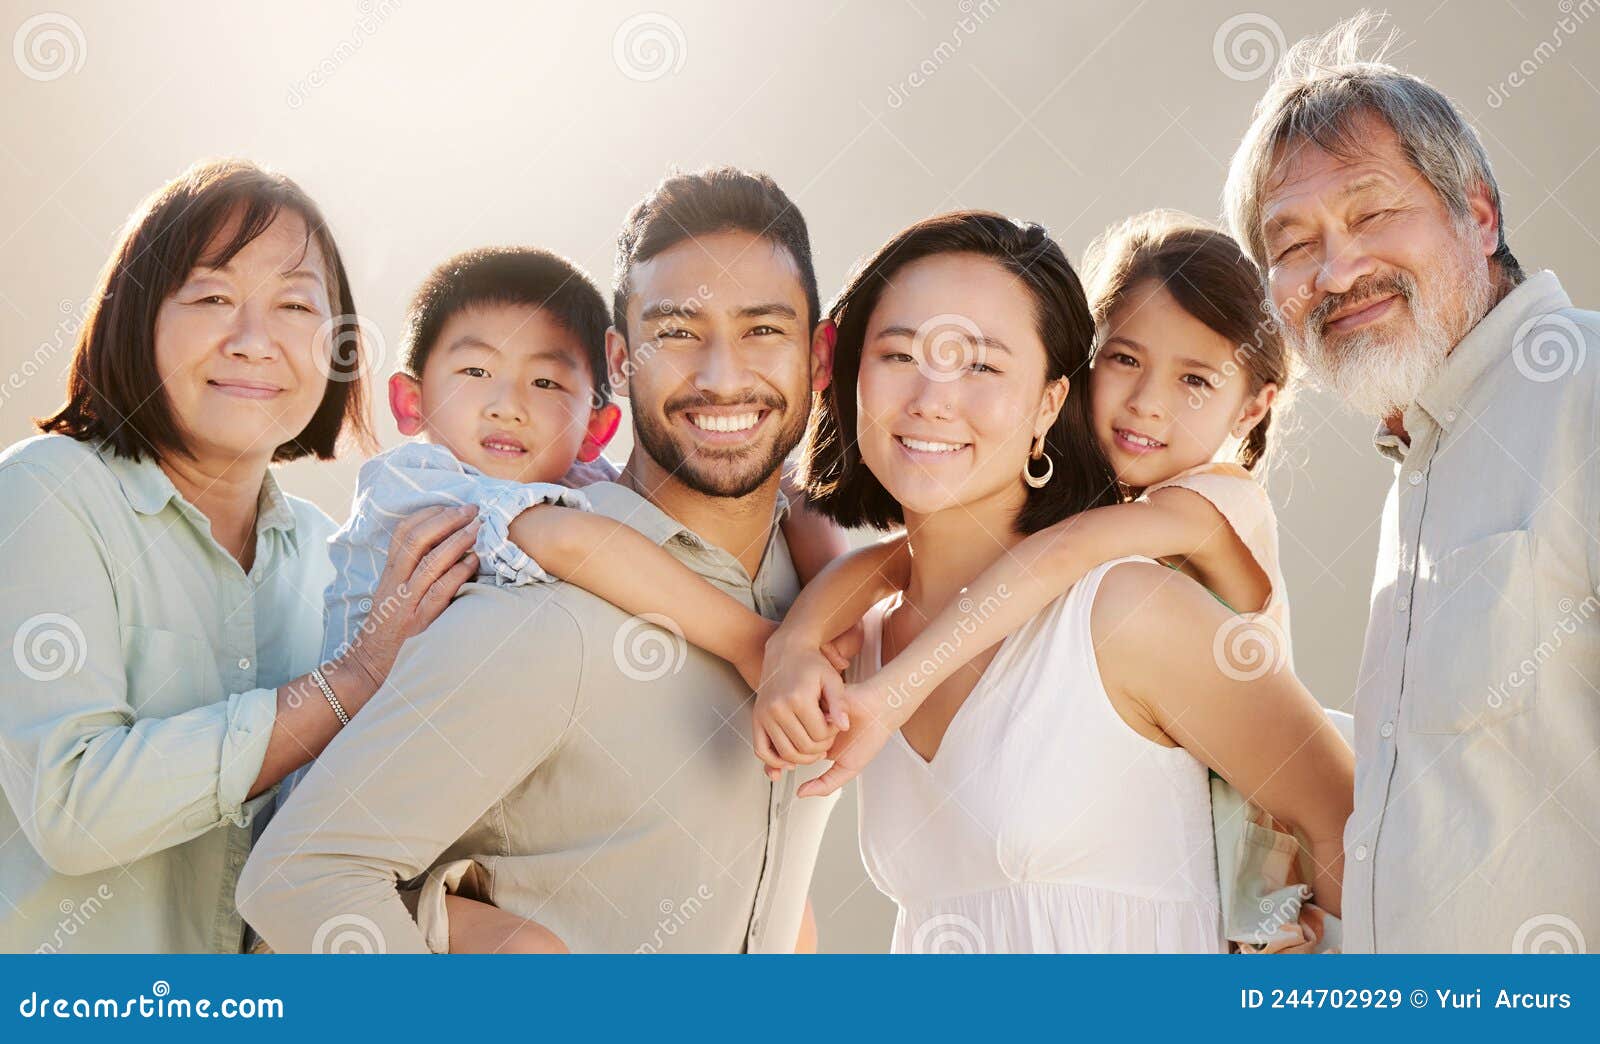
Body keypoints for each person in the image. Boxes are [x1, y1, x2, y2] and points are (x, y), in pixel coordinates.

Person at [237, 167, 842, 954]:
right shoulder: (540, 610)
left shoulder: (805, 588)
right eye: (679, 333)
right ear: (622, 365)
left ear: (819, 357)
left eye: (762, 329)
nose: (723, 375)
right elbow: (296, 878)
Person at [772, 210, 1352, 952]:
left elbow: (1353, 828)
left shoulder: (1141, 582)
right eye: (897, 355)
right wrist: (794, 645)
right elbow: (897, 563)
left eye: (980, 364)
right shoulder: (868, 637)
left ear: (1052, 400)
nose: (932, 398)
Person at [0, 159, 474, 954]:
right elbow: (74, 810)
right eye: (214, 298)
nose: (255, 342)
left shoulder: (333, 561)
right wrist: (351, 681)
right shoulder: (47, 495)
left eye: (295, 305)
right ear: (136, 317)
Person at [1222, 13, 1600, 952]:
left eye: (1372, 211)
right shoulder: (1423, 470)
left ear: (1478, 212)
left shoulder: (1583, 393)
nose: (1338, 269)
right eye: (1292, 243)